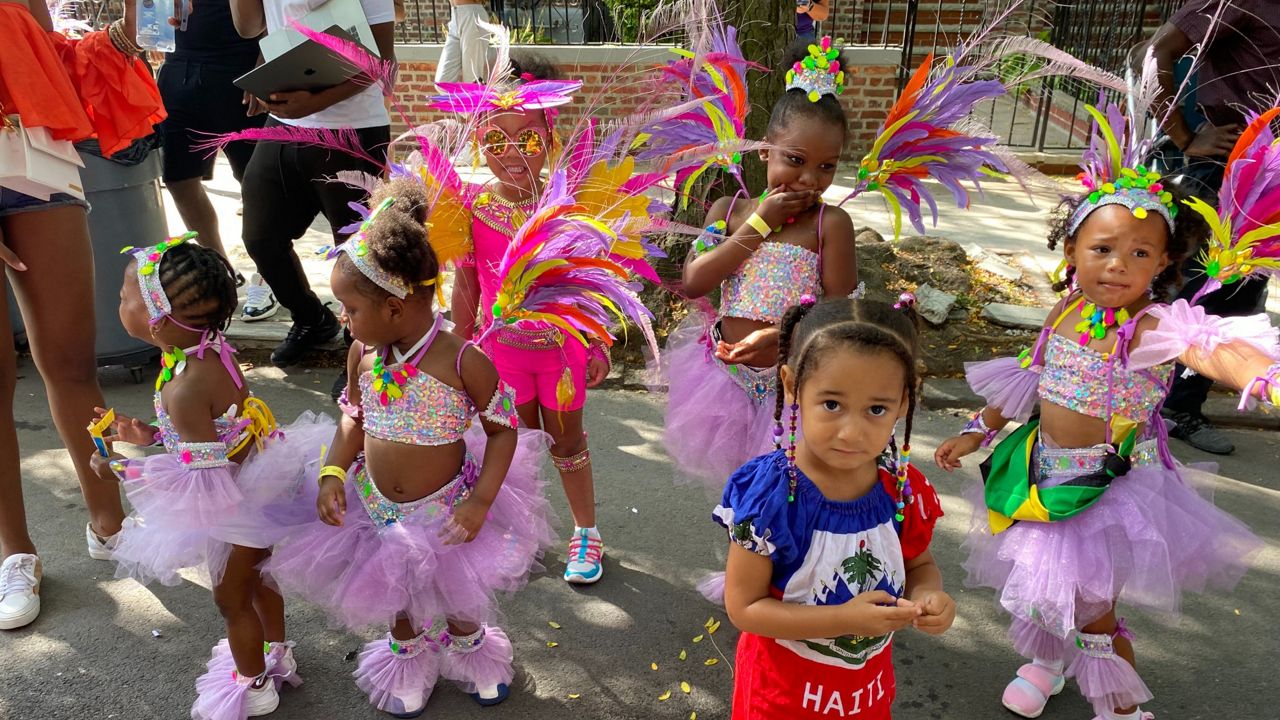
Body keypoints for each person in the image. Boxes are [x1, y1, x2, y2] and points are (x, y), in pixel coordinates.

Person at [934, 98, 1274, 720]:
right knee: (1045, 590)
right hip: (1042, 476)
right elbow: (1030, 380)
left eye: (1140, 253)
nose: (1118, 264)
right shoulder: (1065, 310)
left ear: (1164, 261)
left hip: (1107, 492)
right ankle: (1046, 664)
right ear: (1072, 251)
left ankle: (1121, 709)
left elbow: (1206, 344)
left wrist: (1264, 375)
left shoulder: (1148, 327)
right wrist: (977, 429)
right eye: (1102, 248)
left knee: (1095, 611)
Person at [263, 180, 555, 718]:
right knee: (396, 592)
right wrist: (332, 471)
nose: (344, 319)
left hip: (448, 509)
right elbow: (354, 417)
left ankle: (471, 652)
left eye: (350, 308)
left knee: (457, 592)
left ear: (395, 308)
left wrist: (480, 502)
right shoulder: (362, 352)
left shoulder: (463, 360)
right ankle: (411, 659)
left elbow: (503, 430)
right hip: (378, 508)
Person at [90, 235, 334, 719]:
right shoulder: (208, 350)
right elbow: (210, 428)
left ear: (157, 320)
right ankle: (276, 649)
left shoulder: (186, 385)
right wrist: (150, 433)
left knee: (231, 597)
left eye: (124, 299)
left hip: (235, 501)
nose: (119, 304)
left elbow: (198, 479)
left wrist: (119, 466)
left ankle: (254, 684)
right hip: (256, 482)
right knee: (259, 577)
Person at [0, 0, 163, 631]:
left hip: (33, 151)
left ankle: (109, 523)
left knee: (71, 360)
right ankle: (14, 552)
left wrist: (123, 35)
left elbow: (44, 55)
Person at [719, 296, 951, 719]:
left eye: (876, 409)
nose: (851, 432)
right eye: (832, 404)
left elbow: (920, 565)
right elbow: (745, 608)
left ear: (903, 401)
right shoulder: (772, 498)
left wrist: (929, 597)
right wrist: (843, 620)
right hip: (780, 702)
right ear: (792, 385)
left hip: (866, 696)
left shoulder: (901, 489)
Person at [446, 55, 619, 586]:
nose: (514, 154)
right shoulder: (472, 208)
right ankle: (517, 532)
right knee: (513, 447)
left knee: (567, 443)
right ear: (478, 144)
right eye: (496, 141)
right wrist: (456, 353)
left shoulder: (568, 204)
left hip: (562, 355)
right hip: (501, 358)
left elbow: (591, 281)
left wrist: (598, 343)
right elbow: (466, 287)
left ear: (550, 135)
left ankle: (585, 530)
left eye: (528, 139)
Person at [664, 37, 857, 495]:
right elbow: (695, 281)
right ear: (765, 148)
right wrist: (760, 223)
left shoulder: (831, 224)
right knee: (740, 495)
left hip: (794, 385)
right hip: (724, 384)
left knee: (789, 492)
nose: (809, 179)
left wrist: (784, 335)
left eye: (827, 167)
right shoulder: (727, 212)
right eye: (796, 160)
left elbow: (840, 312)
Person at [228, 0, 396, 367]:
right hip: (284, 124)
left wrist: (315, 102)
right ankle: (312, 319)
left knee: (357, 256)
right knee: (260, 237)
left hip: (355, 129)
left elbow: (382, 63)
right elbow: (248, 28)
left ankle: (361, 353)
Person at [1149, 0, 1280, 454]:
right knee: (1190, 286)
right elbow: (1155, 52)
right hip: (1229, 165)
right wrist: (1185, 136)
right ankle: (1133, 399)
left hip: (1272, 174)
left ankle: (1180, 406)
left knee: (1241, 293)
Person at [156, 0, 264, 289]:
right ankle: (221, 270)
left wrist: (265, 64)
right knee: (178, 179)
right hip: (178, 67)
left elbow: (278, 13)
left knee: (256, 183)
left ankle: (267, 276)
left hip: (240, 67)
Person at [435, 0, 490, 84]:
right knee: (442, 82)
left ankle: (476, 91)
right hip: (455, 16)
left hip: (472, 15)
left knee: (472, 81)